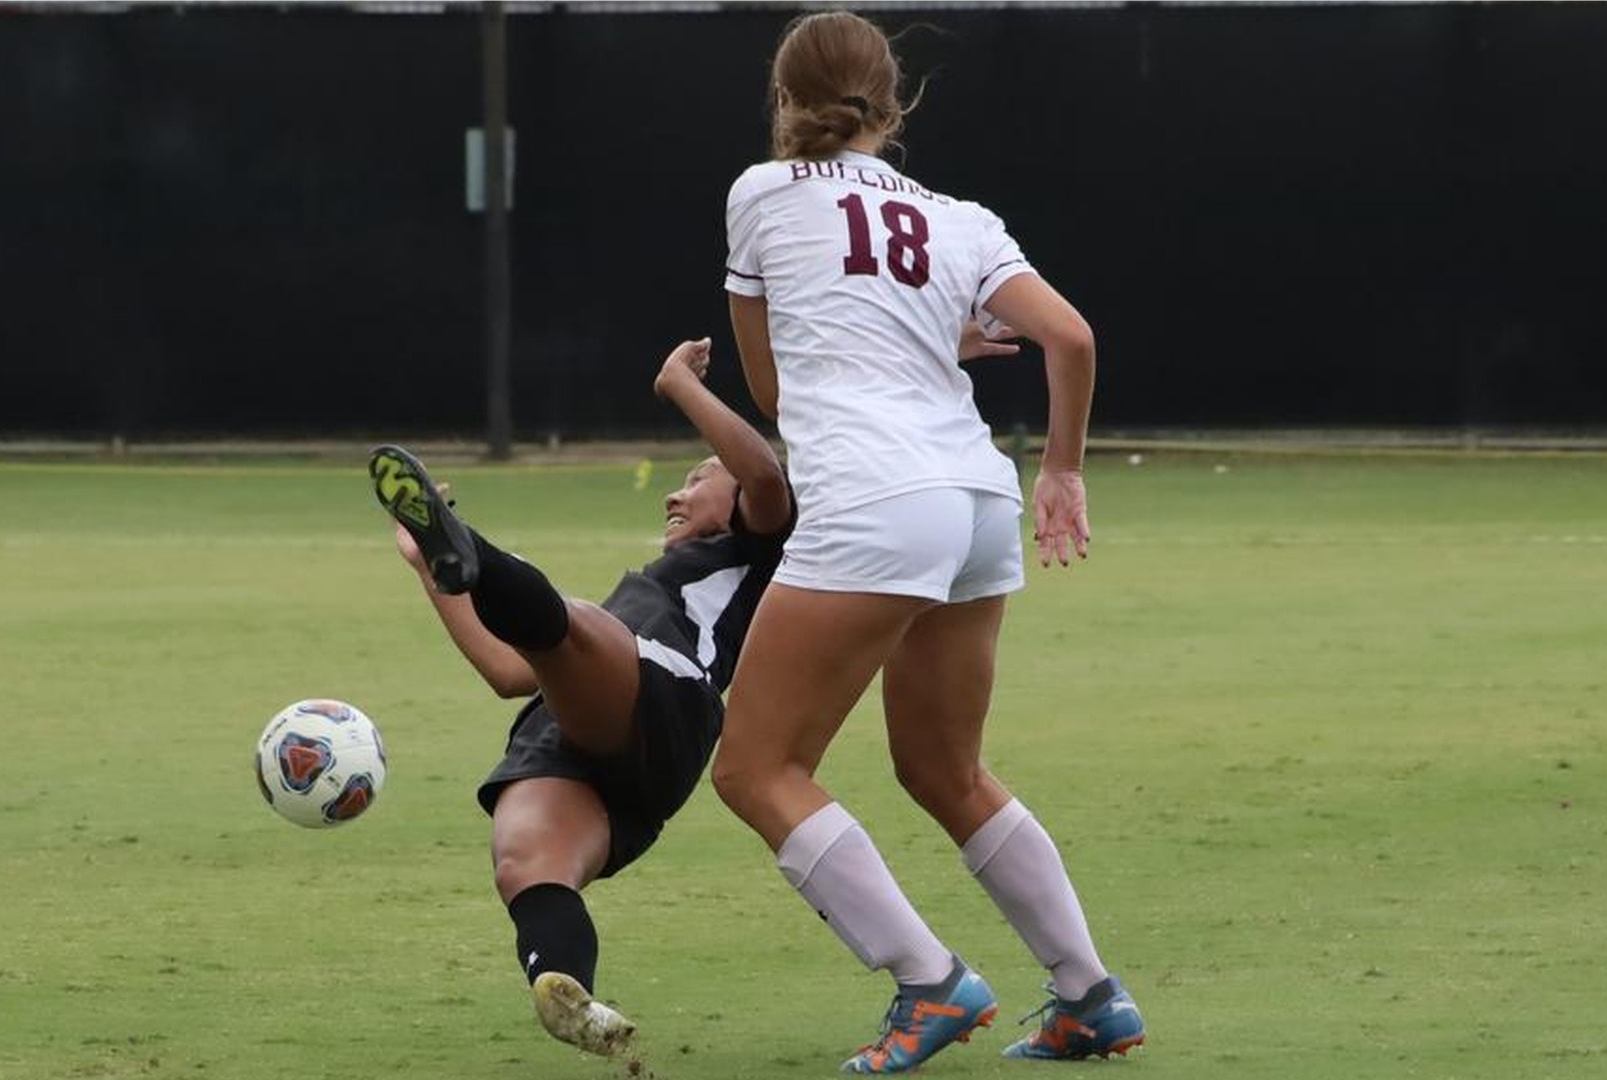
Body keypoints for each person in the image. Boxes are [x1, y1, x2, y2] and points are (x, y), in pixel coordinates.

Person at [711, 10, 1146, 1074]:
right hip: (974, 495)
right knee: (945, 767)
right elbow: (1070, 336)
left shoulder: (759, 196)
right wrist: (1063, 468)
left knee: (757, 768)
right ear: (891, 103)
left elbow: (775, 390)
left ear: (784, 100)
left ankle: (928, 980)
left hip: (872, 498)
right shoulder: (959, 220)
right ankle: (1090, 994)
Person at [368, 338, 792, 1058]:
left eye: (697, 478)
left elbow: (765, 473)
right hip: (586, 741)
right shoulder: (650, 592)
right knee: (525, 863)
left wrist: (677, 385)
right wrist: (427, 570)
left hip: (666, 698)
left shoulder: (757, 545)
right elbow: (510, 670)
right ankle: (572, 995)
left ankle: (472, 552)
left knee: (572, 626)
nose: (675, 492)